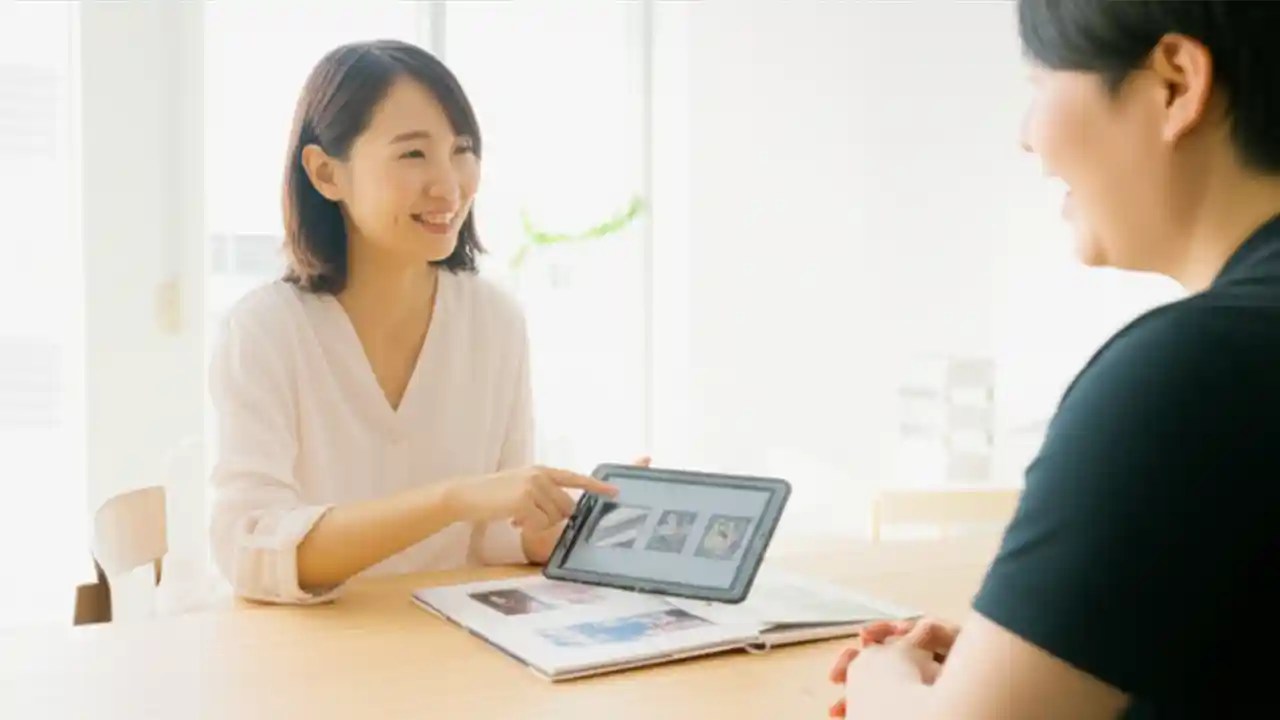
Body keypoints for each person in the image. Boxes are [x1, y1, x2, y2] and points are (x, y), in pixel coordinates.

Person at [829, 2, 1280, 717]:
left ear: (1175, 84)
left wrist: (881, 681)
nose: (1027, 138)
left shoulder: (1189, 373)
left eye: (1039, 84)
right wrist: (1039, 646)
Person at [208, 39, 637, 605]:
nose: (449, 185)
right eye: (413, 155)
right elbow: (254, 552)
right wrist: (454, 499)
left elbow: (491, 533)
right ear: (325, 173)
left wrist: (555, 525)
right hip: (310, 657)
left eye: (462, 149)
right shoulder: (267, 329)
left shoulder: (493, 321)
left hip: (449, 645)